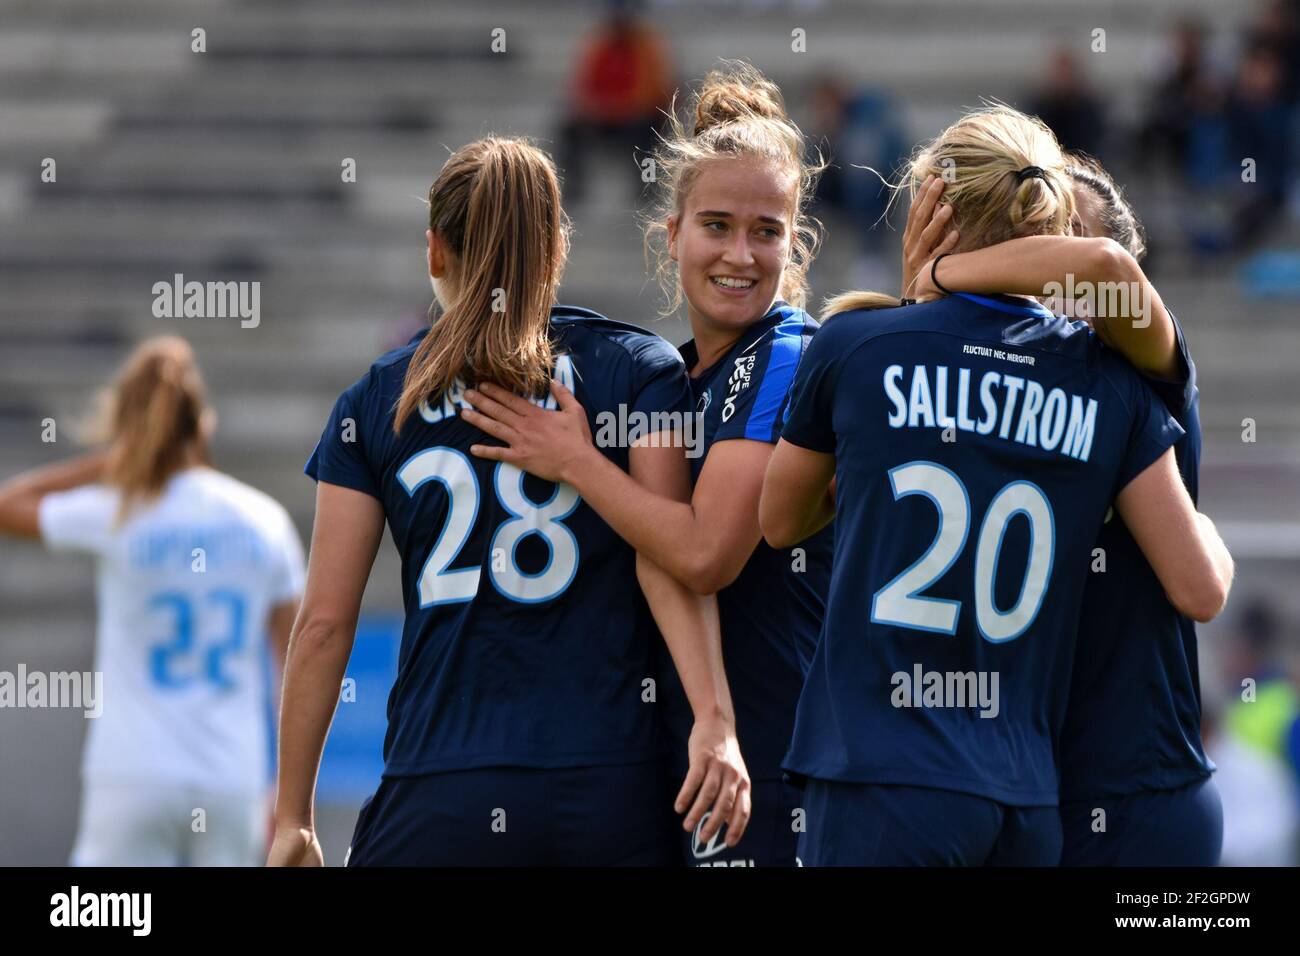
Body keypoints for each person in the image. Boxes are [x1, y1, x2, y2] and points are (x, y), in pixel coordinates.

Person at [759, 105, 1234, 866]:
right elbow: (1206, 582)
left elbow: (779, 523)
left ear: (934, 206)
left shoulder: (860, 346)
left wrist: (932, 284)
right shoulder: (1108, 389)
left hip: (912, 773)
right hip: (1030, 788)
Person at [267, 135, 749, 867]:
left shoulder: (376, 399)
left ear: (435, 250)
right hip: (606, 789)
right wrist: (715, 717)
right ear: (557, 246)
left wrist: (293, 818)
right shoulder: (640, 368)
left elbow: (326, 625)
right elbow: (673, 560)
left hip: (438, 787)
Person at [461, 63, 829, 866]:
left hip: (773, 752)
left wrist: (579, 463)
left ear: (794, 241)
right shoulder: (679, 371)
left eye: (767, 231)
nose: (741, 254)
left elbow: (703, 555)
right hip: (687, 749)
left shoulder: (786, 355)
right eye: (718, 225)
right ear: (672, 235)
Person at [901, 154, 1229, 865]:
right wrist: (920, 314)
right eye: (1018, 240)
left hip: (1136, 794)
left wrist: (943, 274)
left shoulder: (1141, 372)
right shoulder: (986, 393)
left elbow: (1106, 272)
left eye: (1054, 243)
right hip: (1010, 789)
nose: (1035, 274)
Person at [0, 336, 304, 866]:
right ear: (202, 422)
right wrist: (287, 791)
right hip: (232, 776)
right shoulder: (265, 521)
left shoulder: (117, 511)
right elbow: (296, 665)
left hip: (133, 773)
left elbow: (9, 505)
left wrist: (115, 462)